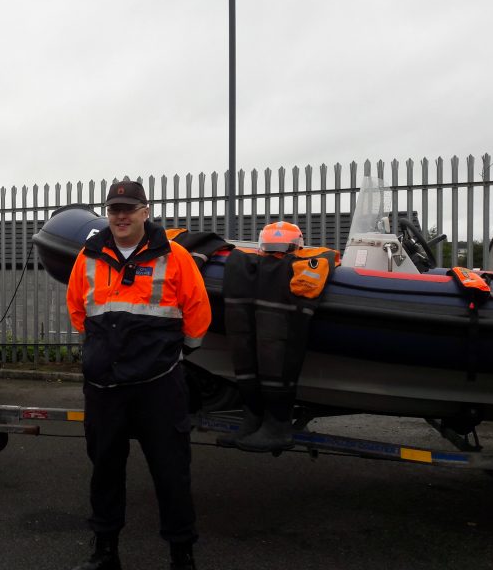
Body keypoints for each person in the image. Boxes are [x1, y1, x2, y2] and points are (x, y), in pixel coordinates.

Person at [66, 179, 211, 570]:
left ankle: (182, 553)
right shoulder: (88, 256)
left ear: (146, 212)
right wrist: (103, 352)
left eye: (129, 208)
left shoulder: (174, 256)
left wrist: (176, 353)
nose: (121, 215)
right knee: (105, 472)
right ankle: (105, 552)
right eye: (114, 208)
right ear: (107, 213)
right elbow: (78, 311)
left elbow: (197, 312)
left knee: (171, 473)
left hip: (158, 386)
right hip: (104, 387)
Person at [216, 221, 337, 452]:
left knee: (274, 349)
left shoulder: (311, 261)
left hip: (281, 337)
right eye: (270, 249)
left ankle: (277, 423)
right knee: (247, 347)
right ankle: (254, 416)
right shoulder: (247, 260)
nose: (275, 255)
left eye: (282, 249)